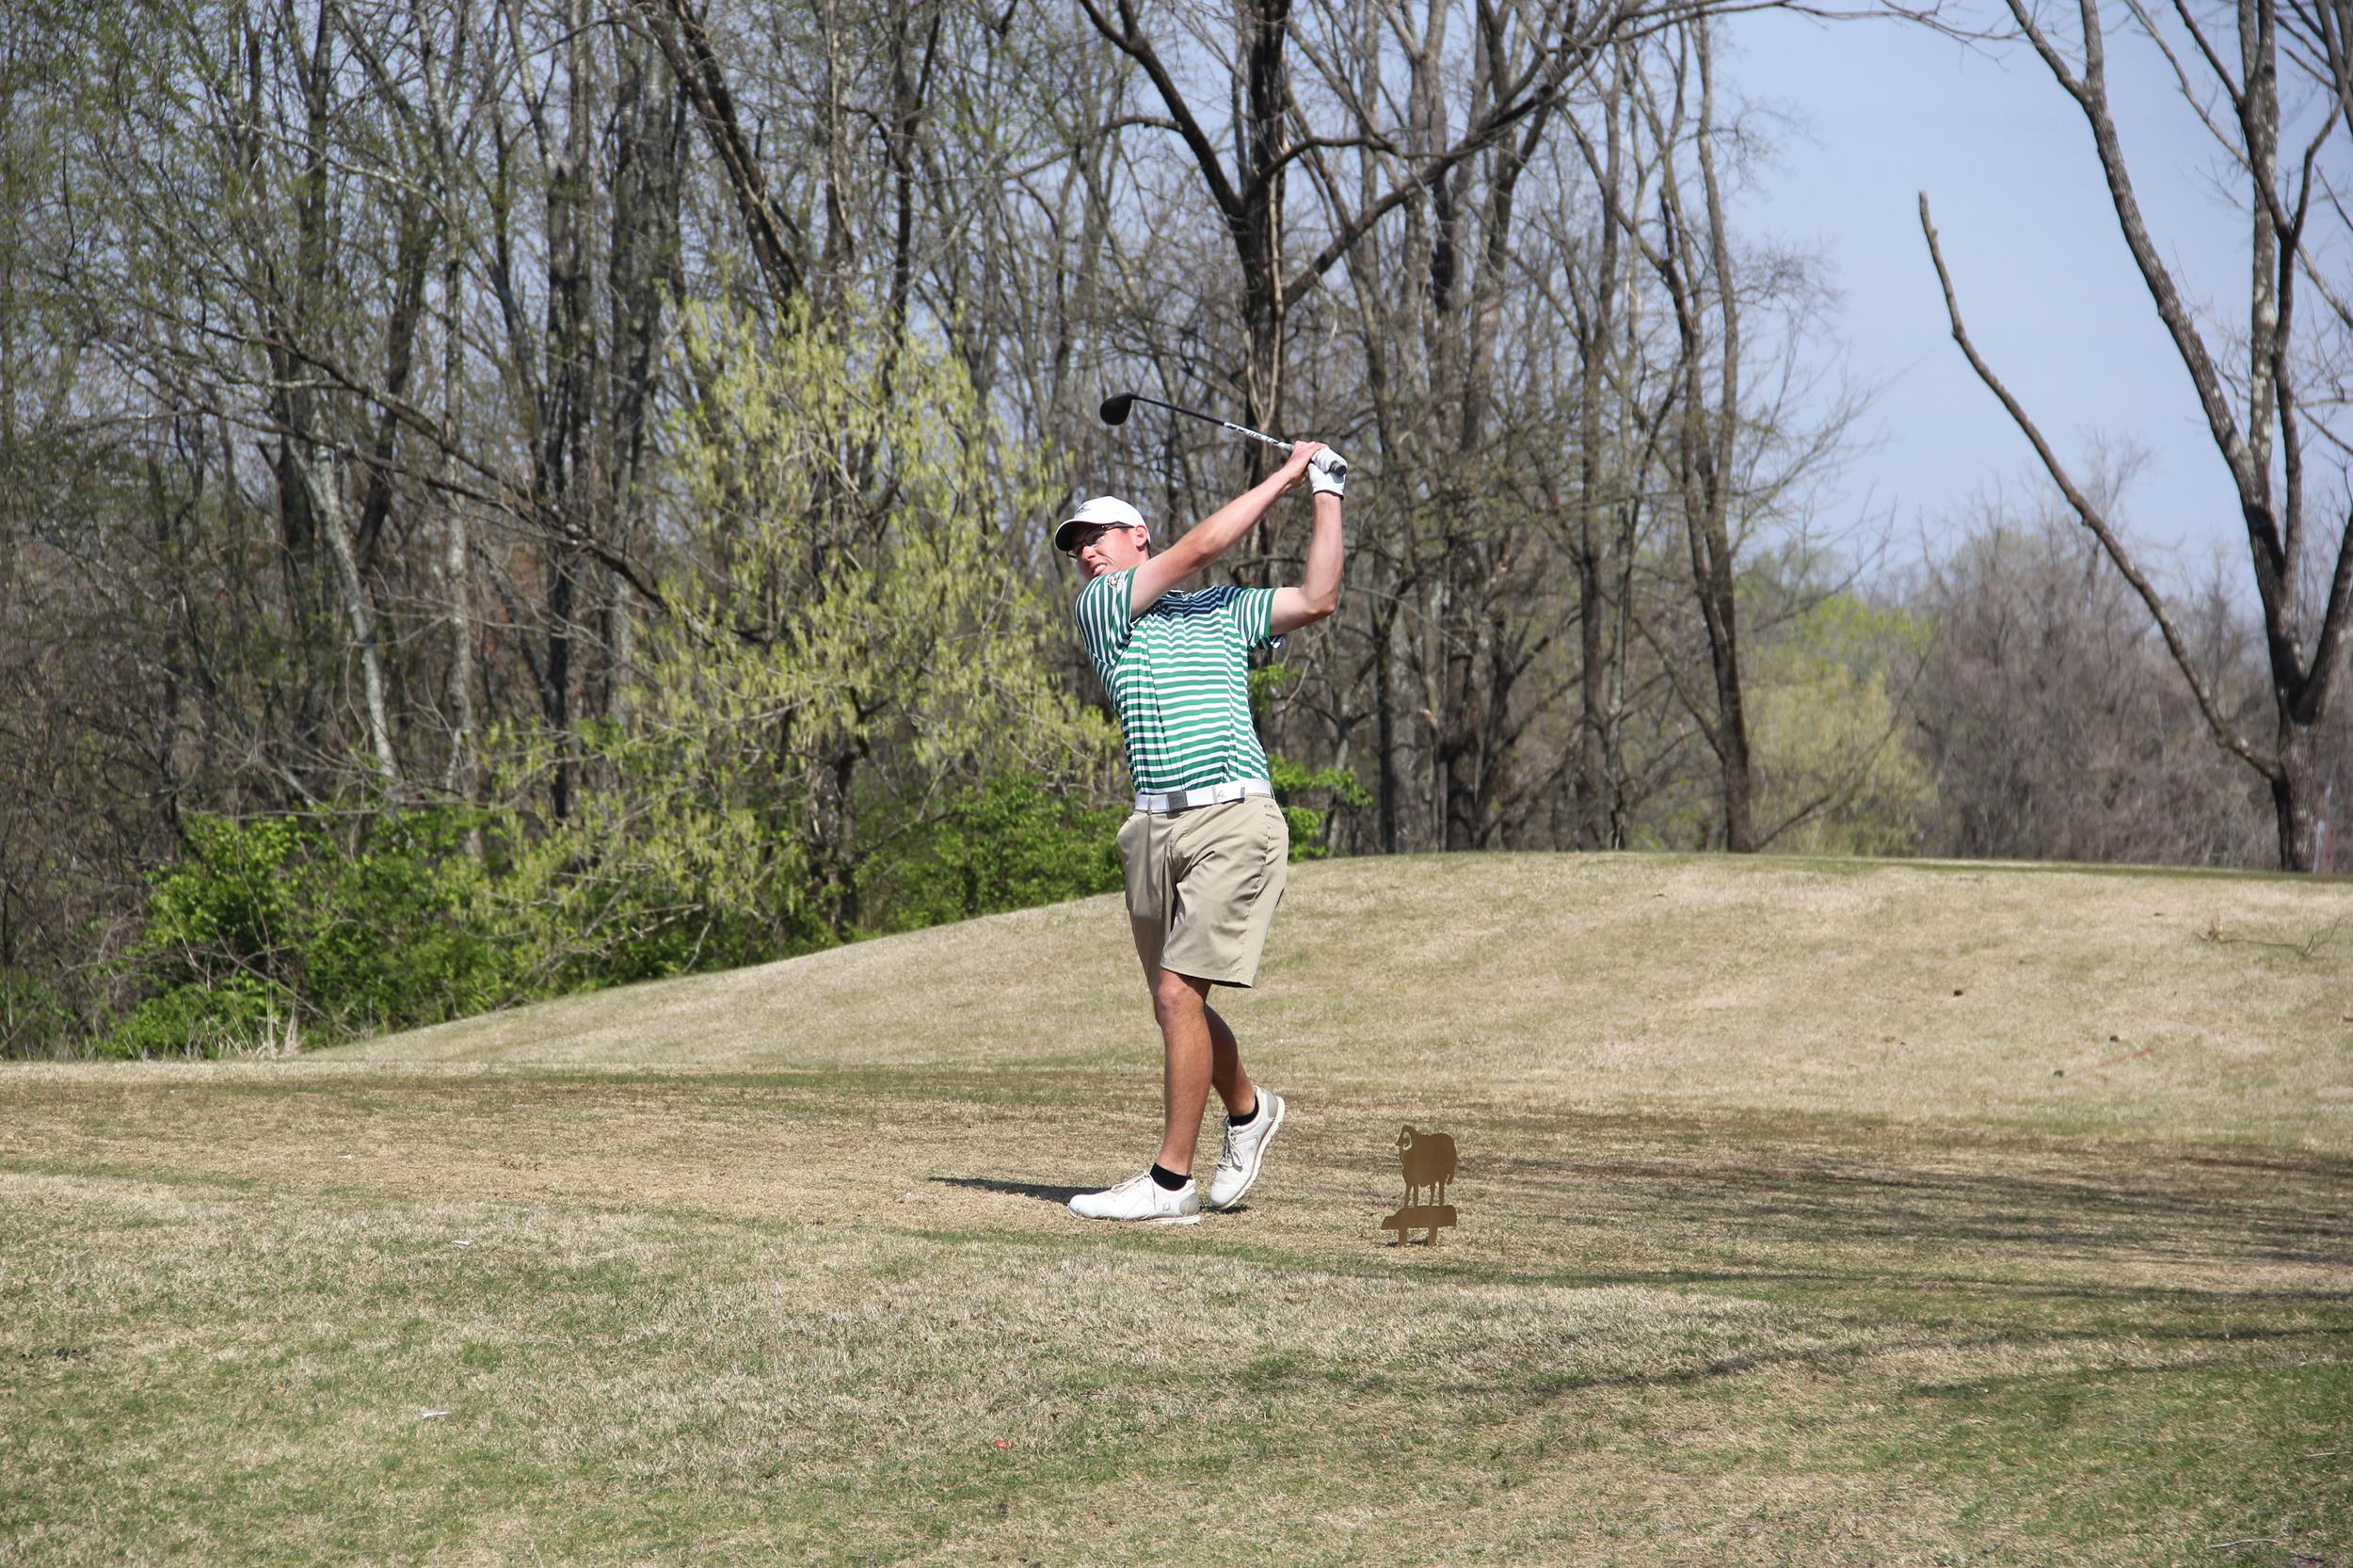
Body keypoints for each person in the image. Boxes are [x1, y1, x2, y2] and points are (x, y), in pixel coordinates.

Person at [1056, 439, 1347, 1223]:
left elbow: (1317, 599)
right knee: (1172, 1000)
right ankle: (1250, 1112)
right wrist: (1285, 472)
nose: (1085, 552)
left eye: (1098, 537)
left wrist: (1325, 490)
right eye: (1077, 544)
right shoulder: (1102, 609)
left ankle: (1170, 1183)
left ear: (1135, 537)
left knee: (1180, 995)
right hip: (1151, 830)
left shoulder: (1223, 611)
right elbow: (1202, 546)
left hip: (1234, 817)